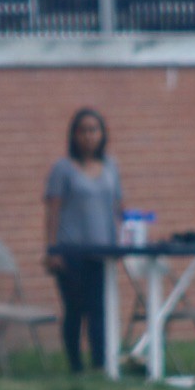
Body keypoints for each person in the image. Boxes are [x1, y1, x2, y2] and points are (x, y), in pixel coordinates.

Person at [44, 108, 122, 374]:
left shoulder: (110, 167)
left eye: (94, 130)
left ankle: (101, 363)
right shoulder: (63, 169)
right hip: (70, 250)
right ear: (74, 135)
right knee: (75, 308)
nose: (89, 136)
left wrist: (123, 238)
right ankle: (75, 365)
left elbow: (118, 206)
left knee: (99, 309)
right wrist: (52, 249)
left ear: (102, 134)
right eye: (83, 131)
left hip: (102, 251)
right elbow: (53, 210)